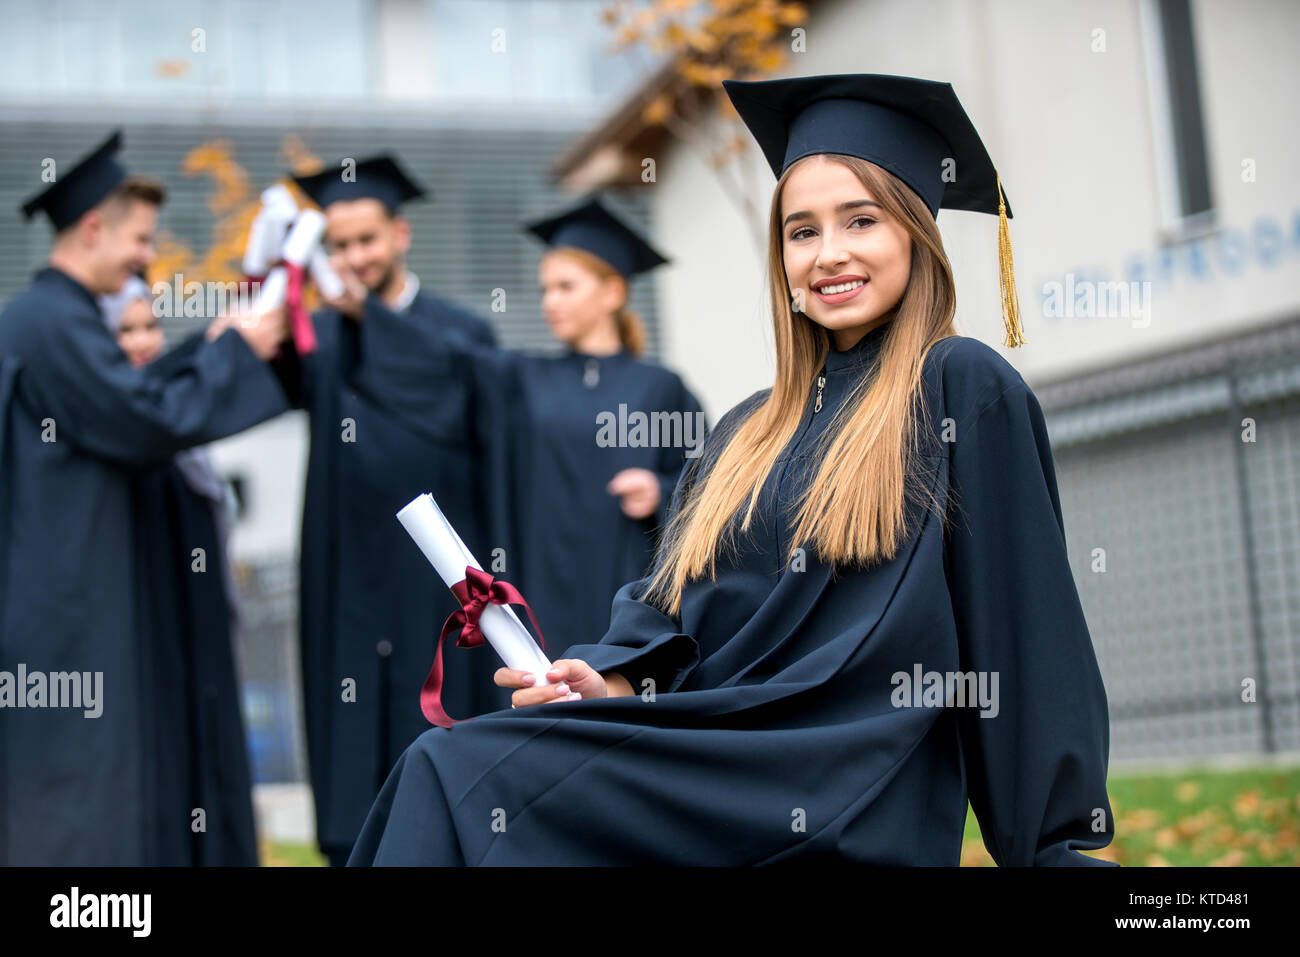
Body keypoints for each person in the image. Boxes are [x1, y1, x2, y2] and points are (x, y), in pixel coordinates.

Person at [347, 73, 1117, 866]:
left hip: (834, 786)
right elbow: (668, 614)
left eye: (861, 220)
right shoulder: (746, 428)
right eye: (802, 231)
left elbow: (1023, 633)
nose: (830, 253)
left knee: (458, 775)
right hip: (711, 752)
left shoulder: (957, 385)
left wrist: (1062, 845)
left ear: (917, 235)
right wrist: (606, 682)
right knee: (451, 771)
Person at [0, 130, 292, 865]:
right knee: (81, 800)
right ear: (92, 227)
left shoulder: (53, 321)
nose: (145, 257)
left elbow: (133, 389)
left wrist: (213, 343)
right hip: (67, 612)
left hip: (82, 597)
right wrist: (236, 350)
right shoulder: (50, 320)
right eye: (138, 239)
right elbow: (142, 418)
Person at [333, 195, 707, 727]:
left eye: (565, 287)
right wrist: (365, 315)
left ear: (613, 292)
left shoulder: (661, 388)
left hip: (629, 594)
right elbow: (443, 366)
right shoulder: (520, 381)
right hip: (537, 596)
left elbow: (710, 491)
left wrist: (660, 489)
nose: (550, 301)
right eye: (544, 289)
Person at [286, 155, 503, 867]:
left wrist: (366, 320)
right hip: (348, 566)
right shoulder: (317, 338)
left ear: (400, 233)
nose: (353, 258)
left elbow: (471, 397)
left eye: (366, 240)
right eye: (339, 245)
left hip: (433, 577)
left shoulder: (460, 331)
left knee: (439, 721)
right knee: (351, 735)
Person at [98, 276, 259, 865]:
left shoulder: (181, 431)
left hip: (201, 637)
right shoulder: (109, 432)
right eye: (124, 329)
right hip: (146, 644)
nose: (142, 342)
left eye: (149, 327)